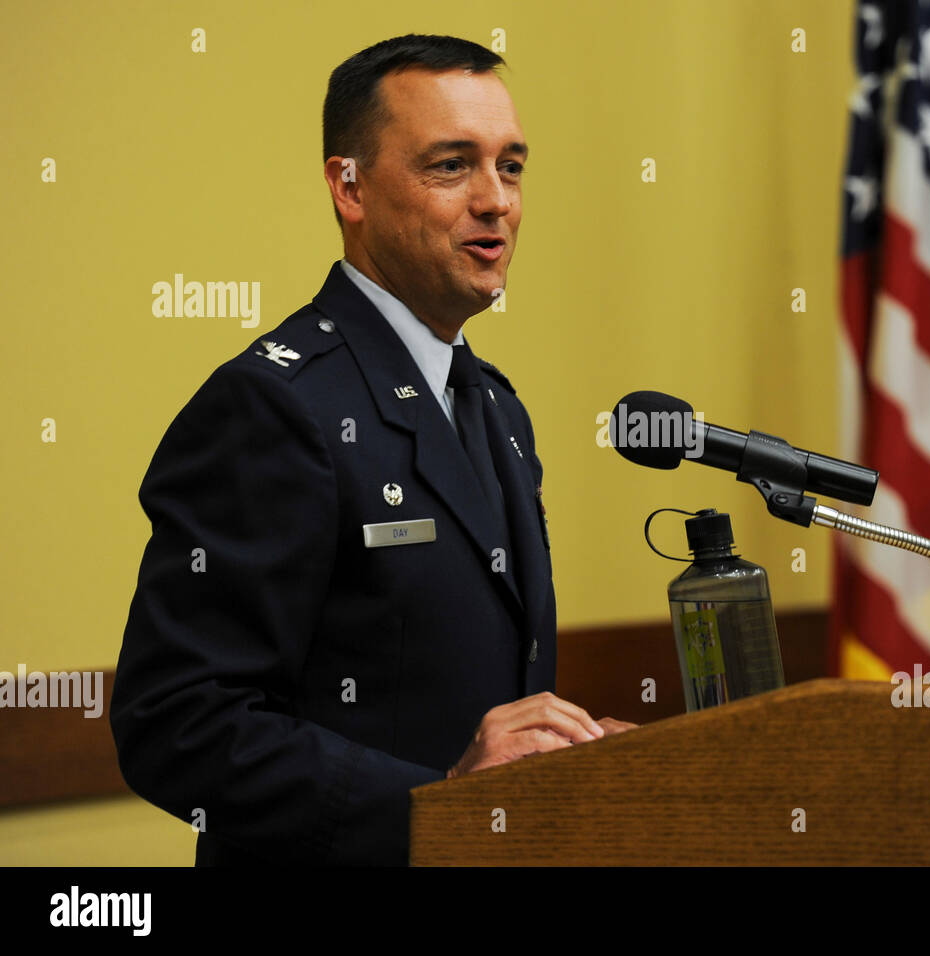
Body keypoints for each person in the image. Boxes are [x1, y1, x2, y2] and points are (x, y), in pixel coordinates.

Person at [110, 33, 634, 866]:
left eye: (512, 165)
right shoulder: (274, 405)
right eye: (452, 165)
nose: (495, 199)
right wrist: (437, 803)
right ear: (347, 187)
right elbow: (176, 724)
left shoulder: (493, 404)